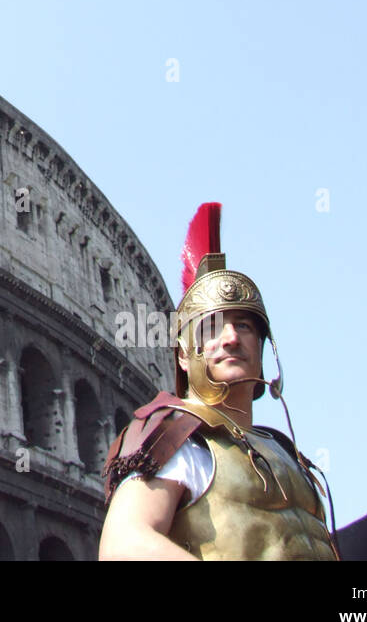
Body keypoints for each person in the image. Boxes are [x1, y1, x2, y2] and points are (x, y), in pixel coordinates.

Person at [98, 202, 336, 561]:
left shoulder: (289, 457)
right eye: (212, 328)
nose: (230, 338)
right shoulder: (177, 440)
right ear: (183, 355)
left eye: (244, 326)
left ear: (262, 345)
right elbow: (124, 546)